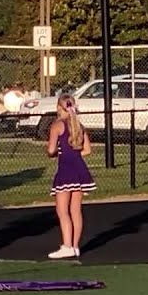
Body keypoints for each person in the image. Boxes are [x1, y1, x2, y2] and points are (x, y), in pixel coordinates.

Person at [46, 94, 94, 259]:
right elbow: (87, 150)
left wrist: (58, 153)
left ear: (59, 107)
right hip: (80, 169)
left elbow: (51, 150)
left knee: (62, 211)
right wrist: (74, 153)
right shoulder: (78, 125)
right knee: (75, 210)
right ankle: (75, 246)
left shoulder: (57, 125)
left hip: (66, 169)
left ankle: (67, 246)